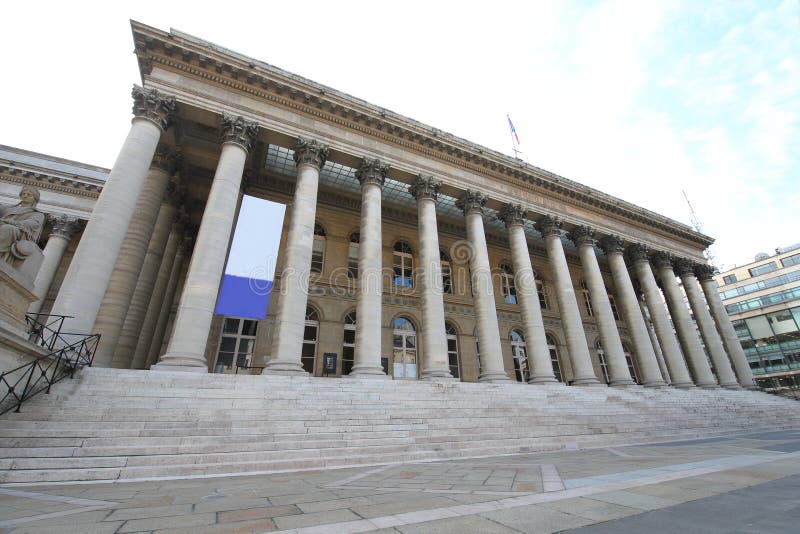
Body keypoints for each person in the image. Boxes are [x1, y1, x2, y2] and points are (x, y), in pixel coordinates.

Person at [0, 186, 45, 260]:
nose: (25, 195)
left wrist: (11, 222)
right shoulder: (9, 208)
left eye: (29, 194)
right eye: (23, 194)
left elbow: (31, 224)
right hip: (3, 224)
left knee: (7, 229)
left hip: (20, 232)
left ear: (35, 198)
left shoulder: (38, 214)